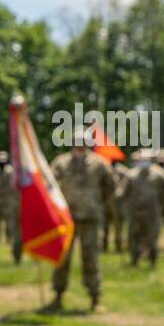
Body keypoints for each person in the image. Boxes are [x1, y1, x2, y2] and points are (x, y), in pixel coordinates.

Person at [49, 130, 115, 310]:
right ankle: (58, 295)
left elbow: (110, 186)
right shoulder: (61, 162)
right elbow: (48, 183)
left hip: (90, 217)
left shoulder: (99, 163)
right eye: (76, 142)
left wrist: (96, 202)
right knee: (62, 258)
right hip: (66, 219)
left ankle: (95, 297)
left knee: (91, 258)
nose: (79, 145)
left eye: (82, 142)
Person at [124, 148, 164, 267]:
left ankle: (153, 261)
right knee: (134, 237)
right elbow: (124, 192)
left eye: (147, 159)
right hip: (135, 212)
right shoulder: (131, 174)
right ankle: (134, 261)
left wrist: (163, 206)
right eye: (142, 159)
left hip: (152, 213)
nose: (144, 161)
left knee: (152, 237)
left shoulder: (159, 174)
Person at [0, 149, 21, 263]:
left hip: (8, 200)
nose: (1, 163)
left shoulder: (10, 171)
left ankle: (9, 238)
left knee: (9, 221)